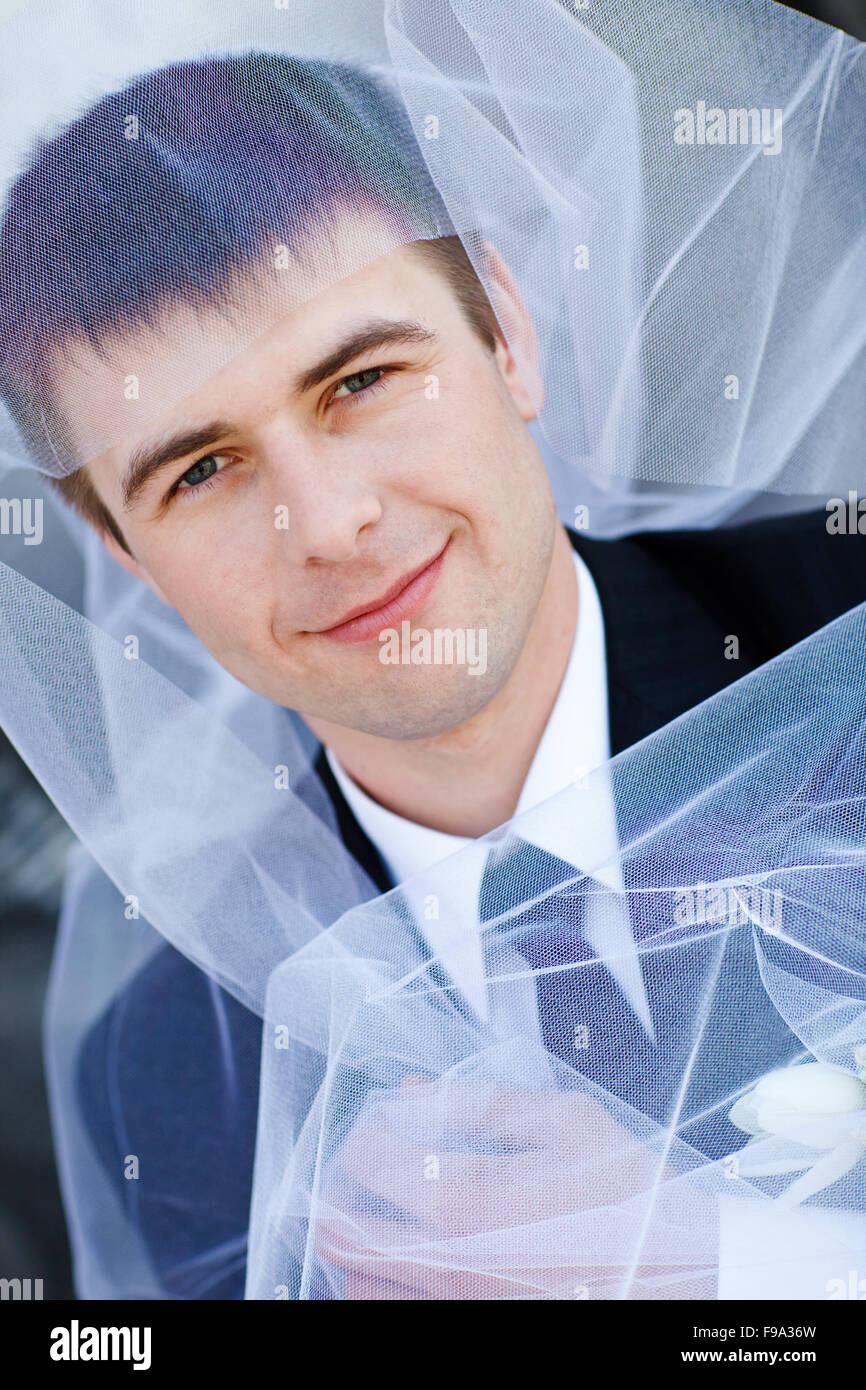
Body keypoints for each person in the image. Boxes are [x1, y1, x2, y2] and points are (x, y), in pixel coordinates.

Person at [2, 43, 866, 1300]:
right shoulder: (172, 1068)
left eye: (359, 381)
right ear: (124, 552)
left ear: (506, 335)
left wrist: (729, 1264)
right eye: (199, 470)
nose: (328, 521)